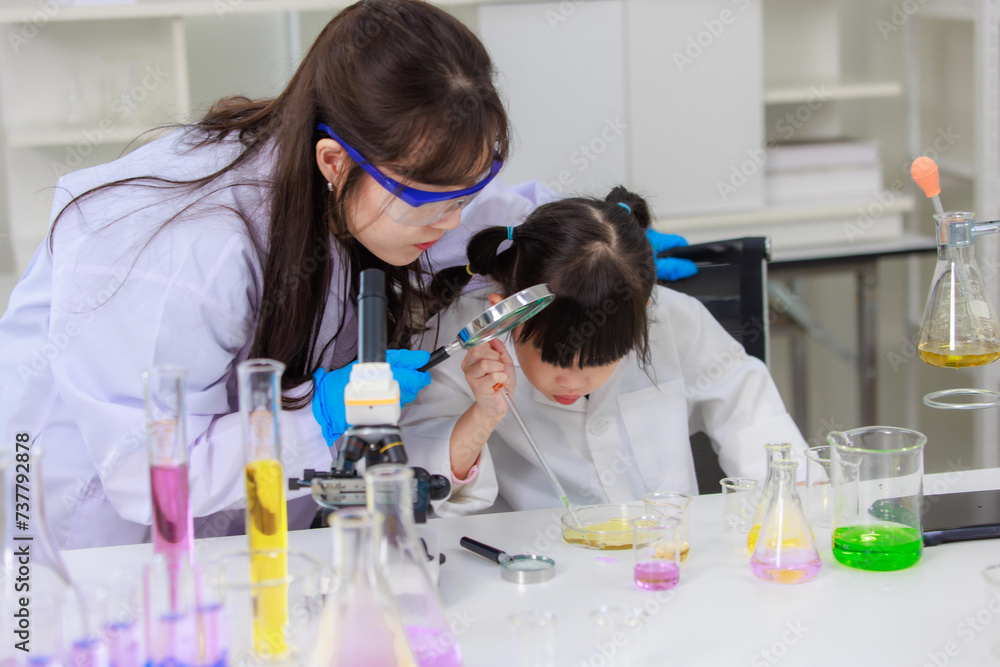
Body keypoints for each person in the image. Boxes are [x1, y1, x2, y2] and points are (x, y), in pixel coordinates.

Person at [0, 0, 547, 548]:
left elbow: (506, 215)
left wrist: (611, 237)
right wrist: (322, 415)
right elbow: (150, 474)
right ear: (335, 162)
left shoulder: (384, 175)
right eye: (429, 200)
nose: (453, 221)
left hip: (248, 530)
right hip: (96, 527)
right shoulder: (191, 251)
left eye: (466, 192)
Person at [400, 186, 807, 516]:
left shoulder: (675, 319)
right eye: (555, 357)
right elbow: (419, 480)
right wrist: (483, 415)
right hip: (537, 571)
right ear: (503, 310)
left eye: (599, 359)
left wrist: (798, 502)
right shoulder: (461, 341)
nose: (573, 381)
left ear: (643, 313)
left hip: (666, 556)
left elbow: (748, 411)